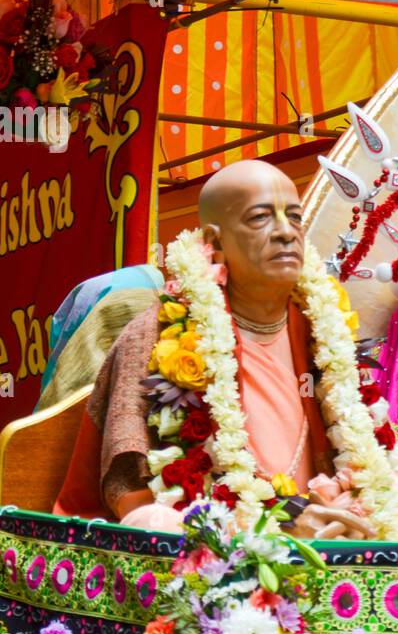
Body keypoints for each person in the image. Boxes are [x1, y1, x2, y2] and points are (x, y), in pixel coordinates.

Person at [53, 160, 375, 539]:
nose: (286, 233)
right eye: (260, 218)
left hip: (328, 532)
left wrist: (349, 505)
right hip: (214, 544)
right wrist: (280, 525)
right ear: (215, 242)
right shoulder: (158, 332)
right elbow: (132, 495)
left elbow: (366, 456)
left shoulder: (323, 327)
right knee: (155, 525)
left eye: (294, 218)